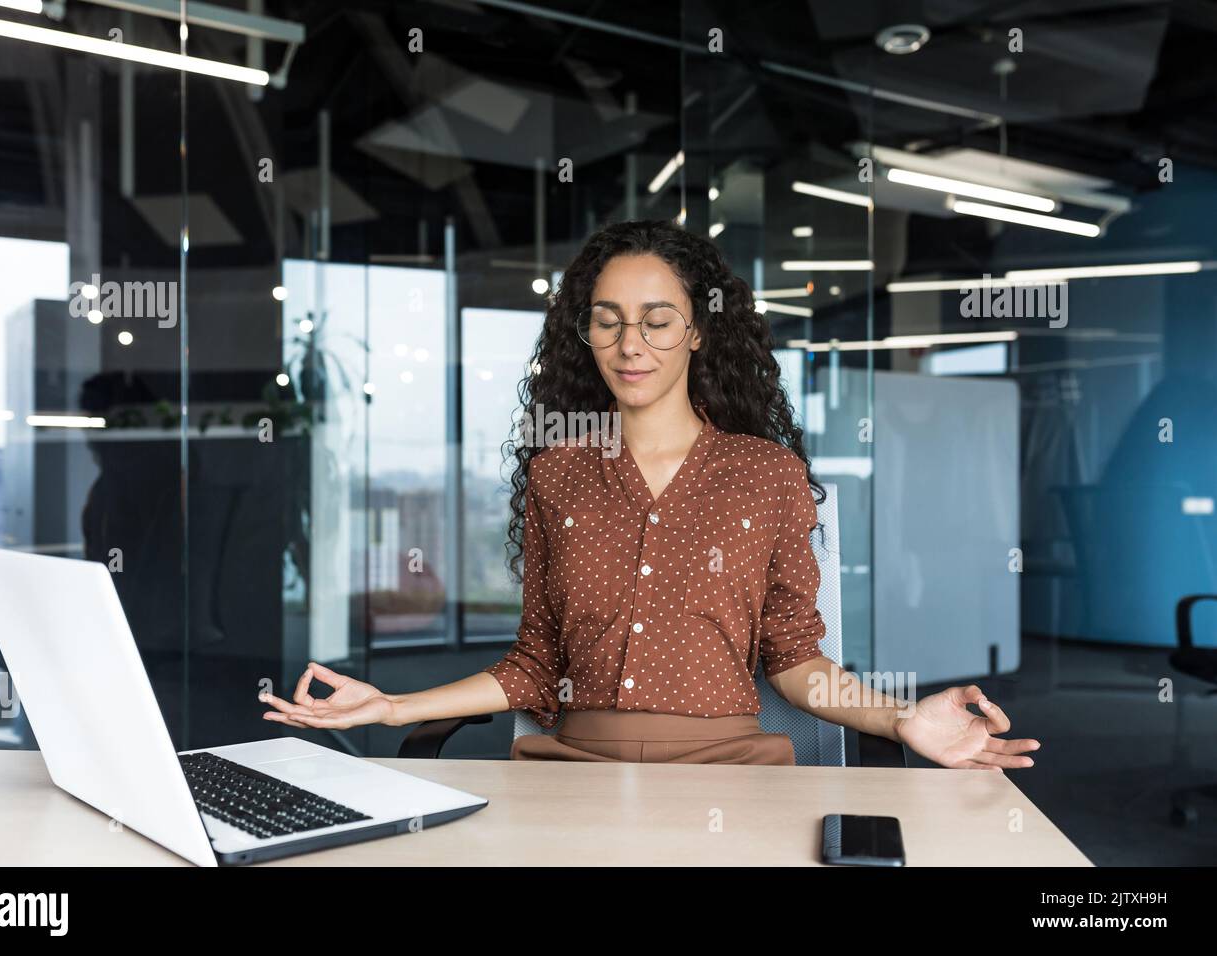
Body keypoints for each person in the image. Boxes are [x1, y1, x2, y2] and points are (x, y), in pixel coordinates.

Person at [261, 219, 1040, 771]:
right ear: (588, 335)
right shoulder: (557, 474)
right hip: (570, 767)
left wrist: (900, 718)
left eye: (657, 321)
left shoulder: (764, 474)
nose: (631, 344)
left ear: (699, 330)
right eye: (609, 322)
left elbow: (796, 660)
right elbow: (536, 665)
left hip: (729, 771)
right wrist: (393, 706)